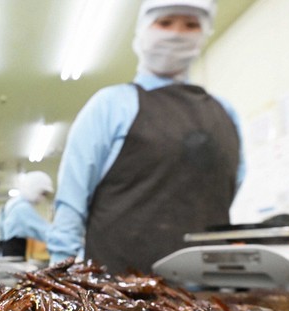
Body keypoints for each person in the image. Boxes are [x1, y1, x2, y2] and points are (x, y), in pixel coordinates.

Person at [46, 0, 245, 274]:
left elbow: (227, 190)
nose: (176, 33)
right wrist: (61, 271)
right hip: (118, 294)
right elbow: (72, 198)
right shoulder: (110, 106)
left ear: (203, 34)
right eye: (165, 23)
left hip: (209, 292)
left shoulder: (226, 113)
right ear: (143, 30)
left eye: (191, 24)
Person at [0, 171, 54, 259]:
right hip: (14, 252)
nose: (43, 198)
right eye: (42, 194)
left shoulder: (11, 204)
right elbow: (45, 231)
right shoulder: (22, 208)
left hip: (6, 250)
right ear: (34, 188)